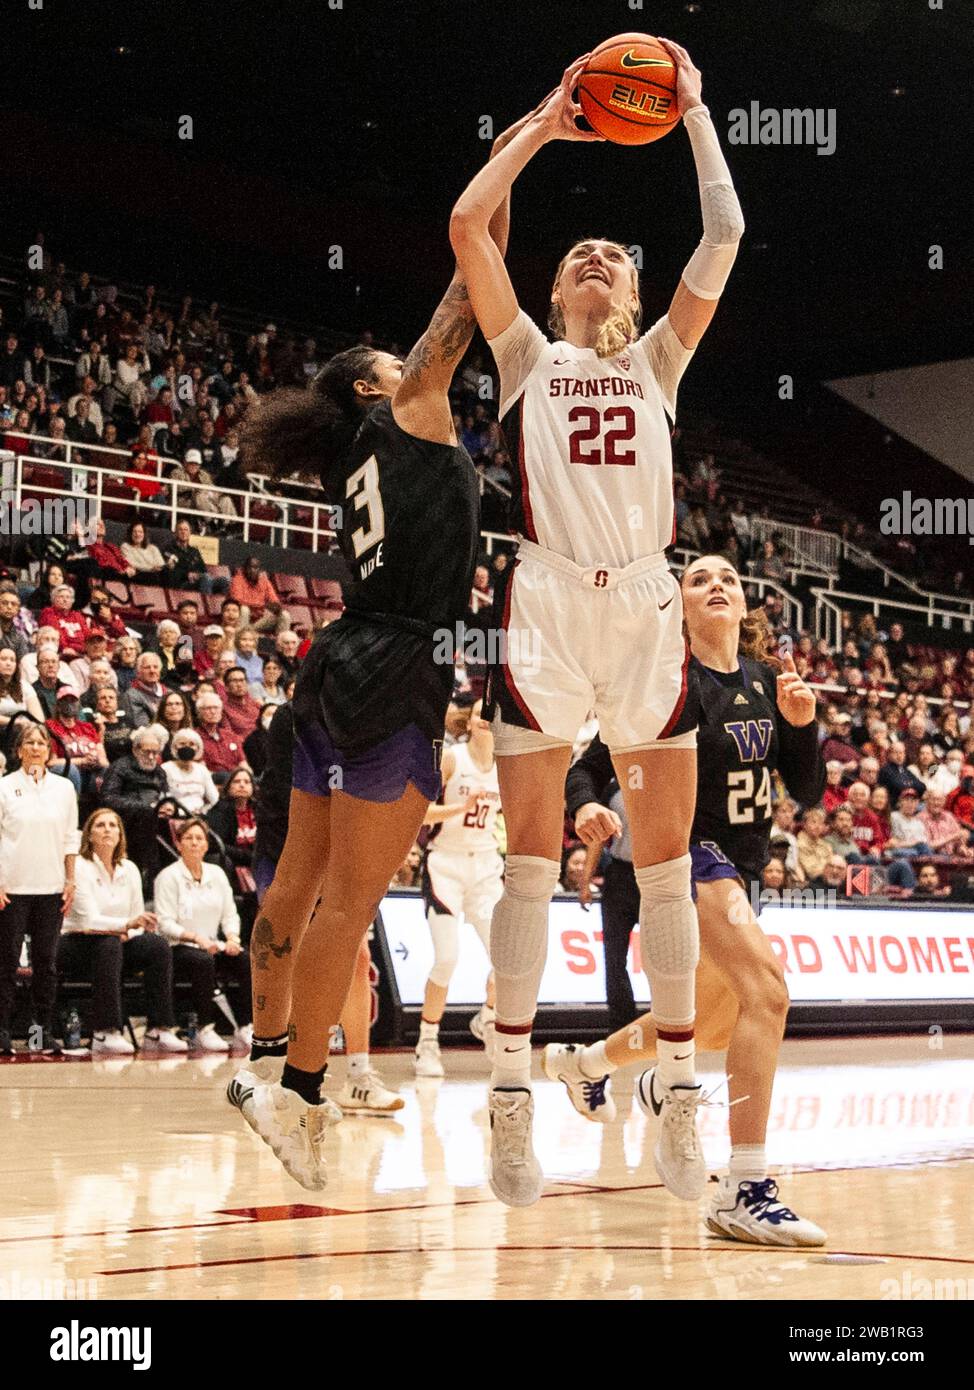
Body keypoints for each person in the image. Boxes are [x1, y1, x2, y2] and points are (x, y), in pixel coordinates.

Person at [449, 41, 743, 1204]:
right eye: (577, 253)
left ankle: (677, 1098)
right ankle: (509, 1100)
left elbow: (719, 239)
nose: (590, 259)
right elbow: (472, 225)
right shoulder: (525, 354)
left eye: (609, 258)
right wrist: (542, 120)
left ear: (627, 293)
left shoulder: (663, 361)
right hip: (547, 598)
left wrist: (696, 118)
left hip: (643, 605)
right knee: (528, 869)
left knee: (662, 874)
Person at [225, 107, 517, 1184]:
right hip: (395, 659)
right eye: (395, 362)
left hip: (335, 654)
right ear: (369, 385)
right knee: (350, 899)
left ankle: (261, 1058)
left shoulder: (355, 450)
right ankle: (299, 1095)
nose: (415, 361)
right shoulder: (414, 408)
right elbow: (468, 262)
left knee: (296, 883)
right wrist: (533, 137)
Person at [548, 555, 826, 1246]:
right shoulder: (666, 682)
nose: (716, 586)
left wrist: (803, 725)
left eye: (727, 578)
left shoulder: (767, 680)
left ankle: (585, 1066)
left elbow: (812, 792)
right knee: (769, 994)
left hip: (745, 866)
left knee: (710, 1023)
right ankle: (748, 1187)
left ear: (743, 602)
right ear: (680, 604)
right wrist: (585, 809)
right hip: (686, 855)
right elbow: (588, 764)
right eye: (699, 580)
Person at [238, 703, 401, 1118]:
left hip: (339, 853)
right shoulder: (293, 717)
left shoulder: (367, 719)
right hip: (286, 848)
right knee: (287, 952)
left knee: (358, 956)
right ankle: (276, 1067)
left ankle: (359, 1076)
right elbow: (281, 796)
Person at [415, 698, 500, 1077]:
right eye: (482, 713)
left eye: (493, 715)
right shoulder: (452, 759)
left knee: (508, 962)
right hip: (445, 865)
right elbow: (417, 810)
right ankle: (427, 1043)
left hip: (485, 868)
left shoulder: (506, 769)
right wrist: (461, 809)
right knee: (447, 958)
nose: (486, 719)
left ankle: (489, 1017)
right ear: (470, 720)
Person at [59, 808, 187, 1055]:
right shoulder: (80, 868)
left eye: (113, 825)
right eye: (100, 825)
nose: (107, 829)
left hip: (115, 943)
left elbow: (136, 915)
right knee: (108, 944)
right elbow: (89, 921)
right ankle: (105, 1032)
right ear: (89, 835)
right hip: (76, 944)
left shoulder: (129, 868)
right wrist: (126, 926)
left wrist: (133, 929)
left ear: (120, 834)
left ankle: (158, 1029)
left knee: (156, 945)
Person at [0, 723, 79, 1055]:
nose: (35, 747)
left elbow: (70, 837)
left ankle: (39, 1030)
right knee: (5, 961)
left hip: (51, 888)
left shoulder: (63, 788)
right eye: (29, 742)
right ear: (18, 750)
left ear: (50, 750)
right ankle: (2, 1030)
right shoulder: (4, 787)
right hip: (12, 887)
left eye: (41, 743)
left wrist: (70, 879)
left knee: (46, 962)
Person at [154, 818, 251, 1052]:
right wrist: (195, 938)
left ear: (207, 845)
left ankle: (246, 1025)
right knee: (202, 961)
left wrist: (232, 939)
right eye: (188, 838)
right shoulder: (167, 877)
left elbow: (230, 913)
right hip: (177, 947)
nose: (195, 843)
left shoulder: (216, 874)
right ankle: (204, 1028)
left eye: (199, 839)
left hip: (213, 943)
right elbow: (164, 923)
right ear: (178, 844)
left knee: (246, 959)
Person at [161, 727, 219, 815]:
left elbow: (215, 799)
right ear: (175, 747)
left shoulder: (202, 770)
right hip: (175, 815)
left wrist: (205, 811)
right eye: (182, 744)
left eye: (192, 744)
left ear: (198, 748)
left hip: (199, 815)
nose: (187, 747)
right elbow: (163, 798)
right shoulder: (166, 768)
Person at [228, 557, 290, 634]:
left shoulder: (264, 581)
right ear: (244, 569)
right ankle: (241, 639)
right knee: (244, 609)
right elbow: (237, 602)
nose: (252, 570)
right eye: (249, 567)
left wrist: (276, 607)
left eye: (255, 568)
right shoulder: (237, 580)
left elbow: (275, 603)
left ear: (260, 570)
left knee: (284, 615)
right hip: (242, 622)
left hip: (258, 623)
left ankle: (282, 643)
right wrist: (263, 605)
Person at [195, 691, 246, 775]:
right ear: (199, 712)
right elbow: (200, 770)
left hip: (235, 779)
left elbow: (242, 763)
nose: (213, 711)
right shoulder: (194, 737)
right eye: (208, 708)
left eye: (216, 708)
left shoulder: (230, 735)